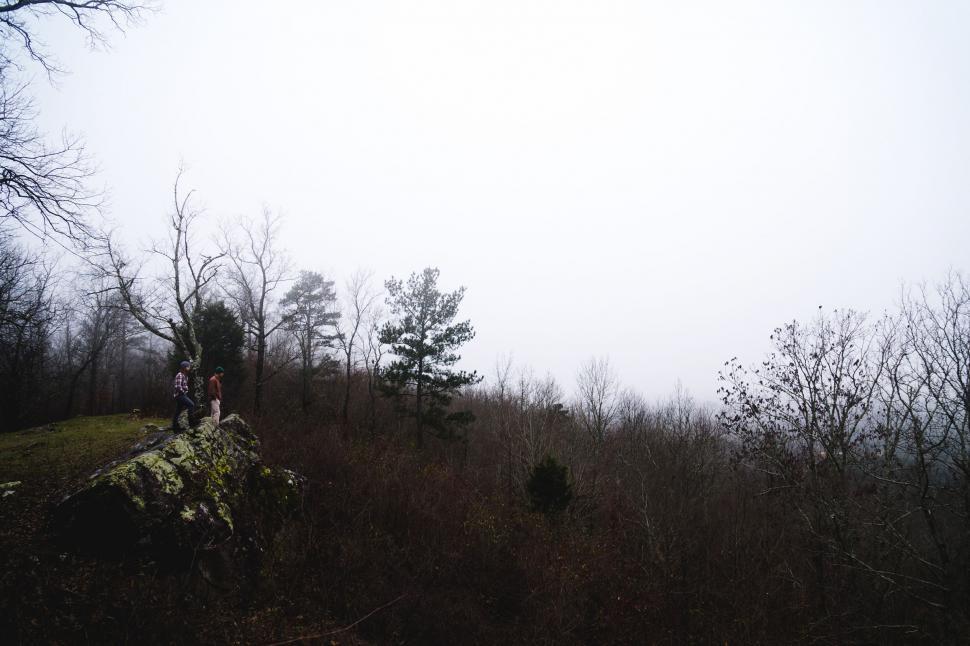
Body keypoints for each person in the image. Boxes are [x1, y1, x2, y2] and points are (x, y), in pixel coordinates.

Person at [172, 360, 195, 432]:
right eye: (188, 366)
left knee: (178, 411)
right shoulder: (180, 375)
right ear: (184, 367)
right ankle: (192, 423)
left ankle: (175, 427)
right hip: (180, 395)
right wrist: (183, 392)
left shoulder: (185, 376)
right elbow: (178, 386)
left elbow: (184, 386)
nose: (189, 368)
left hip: (181, 394)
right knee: (191, 405)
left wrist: (186, 390)